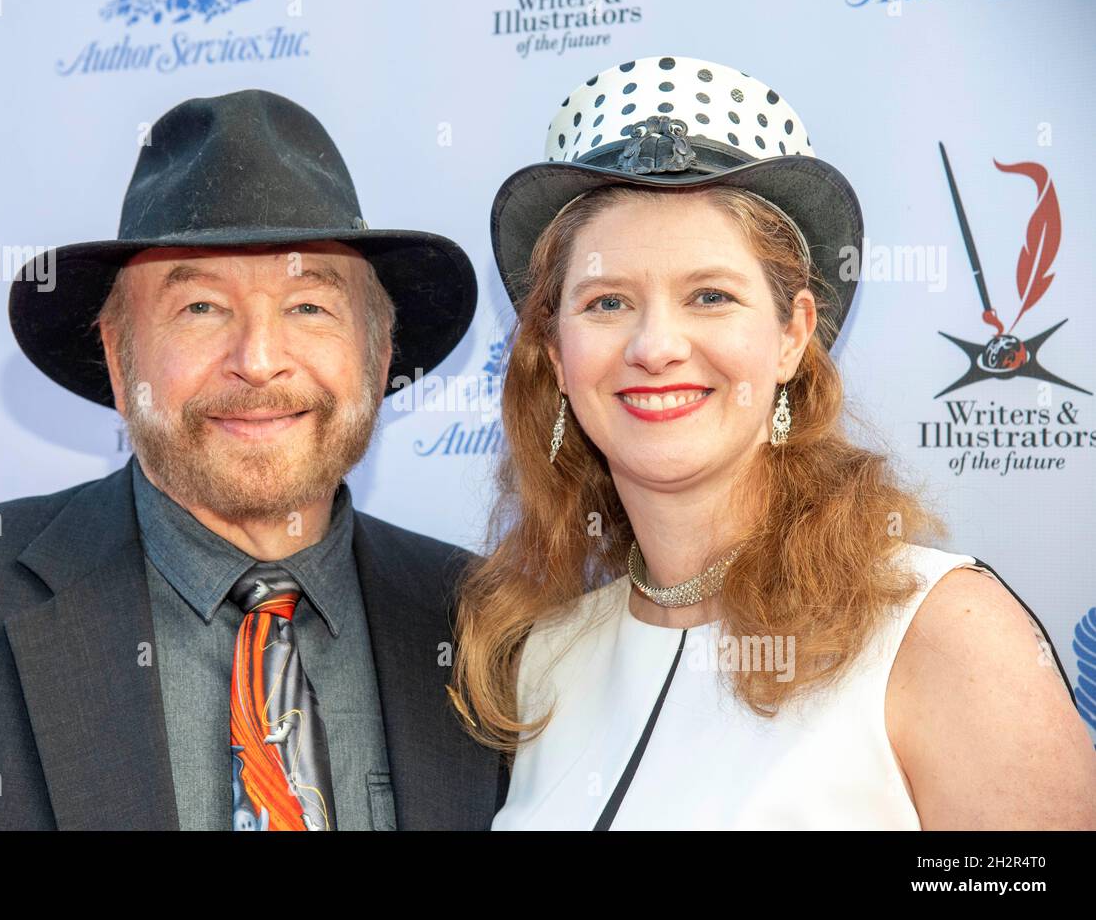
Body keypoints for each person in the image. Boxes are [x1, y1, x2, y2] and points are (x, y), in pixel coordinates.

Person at [0, 89, 505, 830]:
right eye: (200, 307)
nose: (259, 362)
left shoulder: (498, 635)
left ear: (379, 351)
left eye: (309, 306)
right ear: (116, 352)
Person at [451, 55, 1095, 829]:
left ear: (792, 336)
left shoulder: (937, 630)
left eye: (710, 295)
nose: (655, 346)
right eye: (608, 300)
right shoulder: (548, 662)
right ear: (556, 355)